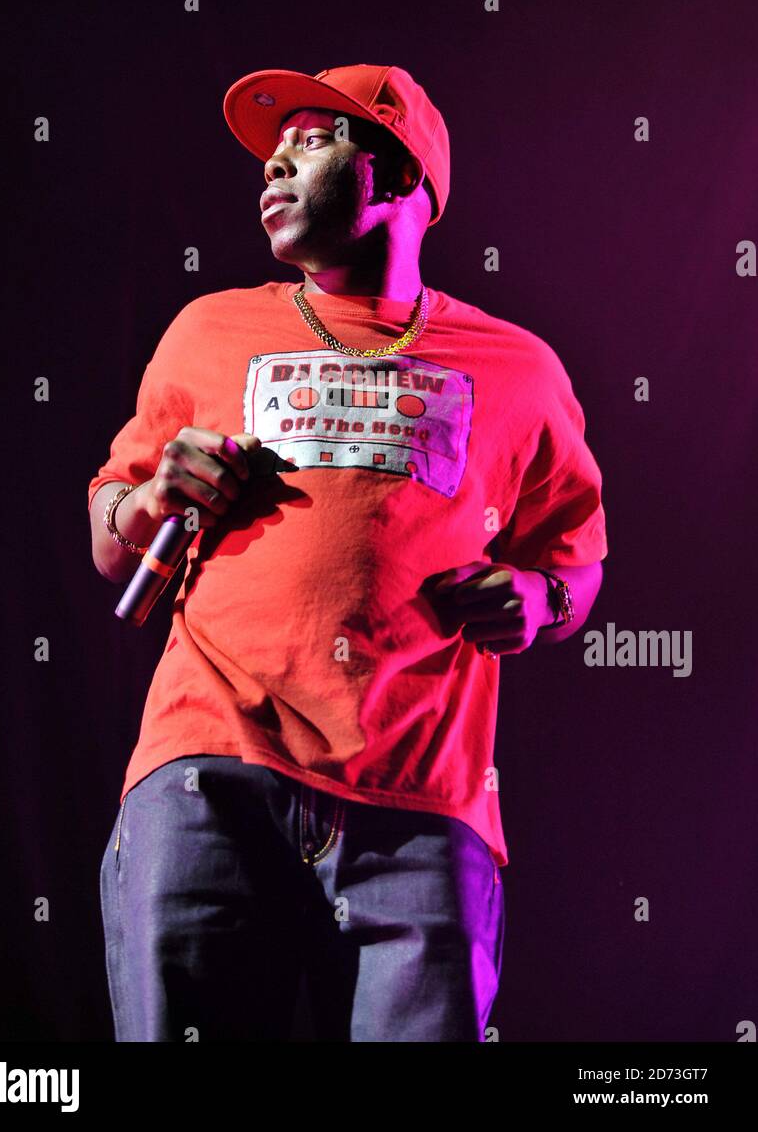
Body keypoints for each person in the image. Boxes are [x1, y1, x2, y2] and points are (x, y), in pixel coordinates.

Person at [88, 63, 608, 1042]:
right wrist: (148, 497)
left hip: (417, 802)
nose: (273, 164)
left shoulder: (518, 368)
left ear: (396, 177)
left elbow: (574, 561)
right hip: (212, 768)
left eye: (309, 140)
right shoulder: (207, 332)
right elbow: (111, 532)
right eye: (272, 147)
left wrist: (537, 602)